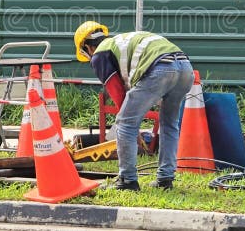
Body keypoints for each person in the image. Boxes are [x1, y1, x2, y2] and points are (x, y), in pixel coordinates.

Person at [74, 21, 194, 191]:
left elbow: (117, 93)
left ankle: (127, 180)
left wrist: (131, 127)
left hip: (160, 68)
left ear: (87, 47)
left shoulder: (100, 54)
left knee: (124, 124)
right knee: (169, 124)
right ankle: (165, 180)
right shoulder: (119, 42)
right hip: (185, 68)